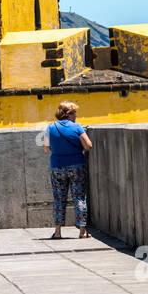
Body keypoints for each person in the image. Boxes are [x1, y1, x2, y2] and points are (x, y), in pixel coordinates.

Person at [44, 100, 92, 239]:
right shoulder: (77, 127)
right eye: (74, 113)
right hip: (77, 165)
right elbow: (88, 145)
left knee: (59, 199)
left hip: (57, 166)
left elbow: (46, 148)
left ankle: (58, 232)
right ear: (68, 114)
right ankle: (82, 231)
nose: (76, 115)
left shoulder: (50, 127)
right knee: (79, 197)